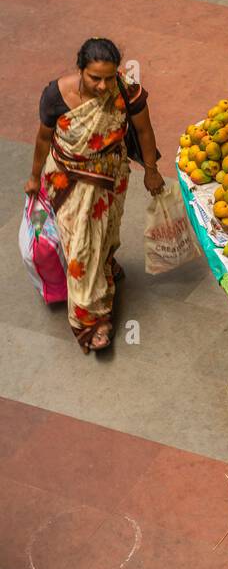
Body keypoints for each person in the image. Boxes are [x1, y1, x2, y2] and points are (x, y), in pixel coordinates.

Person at [26, 39, 164, 353]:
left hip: (111, 178)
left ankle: (105, 262)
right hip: (67, 178)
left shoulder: (126, 92)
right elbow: (43, 138)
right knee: (79, 251)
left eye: (109, 77)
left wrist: (152, 170)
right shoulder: (56, 95)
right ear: (81, 70)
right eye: (94, 78)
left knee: (105, 234)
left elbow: (144, 131)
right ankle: (92, 317)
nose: (103, 86)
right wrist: (34, 177)